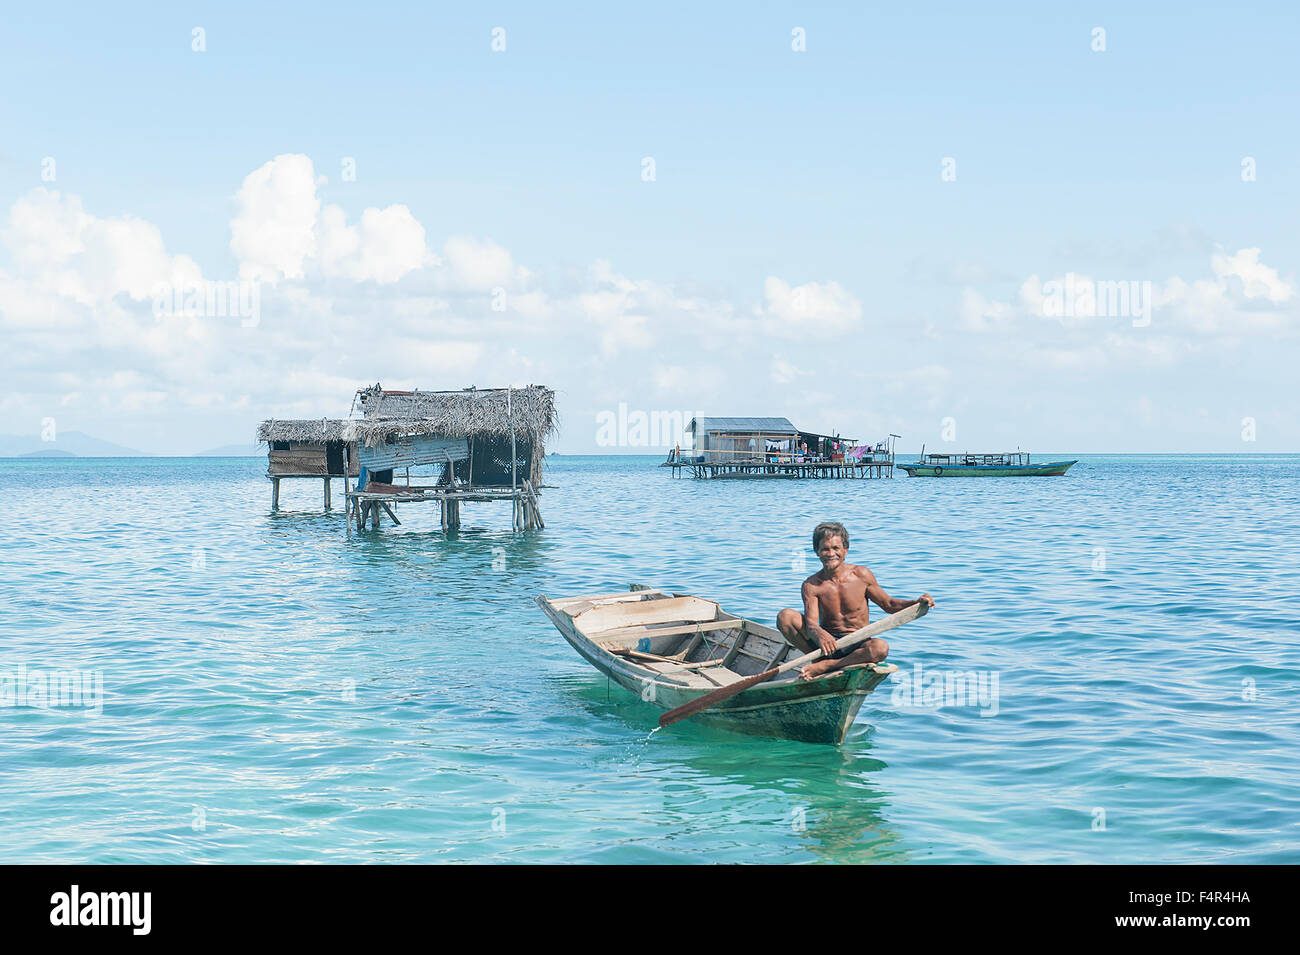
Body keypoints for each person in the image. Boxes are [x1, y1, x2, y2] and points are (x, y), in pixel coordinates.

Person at [777, 521, 935, 681]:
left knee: (880, 648)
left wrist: (916, 602)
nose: (831, 553)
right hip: (828, 644)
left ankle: (827, 665)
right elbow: (811, 625)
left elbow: (889, 605)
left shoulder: (861, 575)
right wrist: (819, 633)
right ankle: (817, 658)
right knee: (786, 616)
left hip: (858, 644)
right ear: (817, 552)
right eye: (825, 549)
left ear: (845, 550)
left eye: (836, 548)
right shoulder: (812, 585)